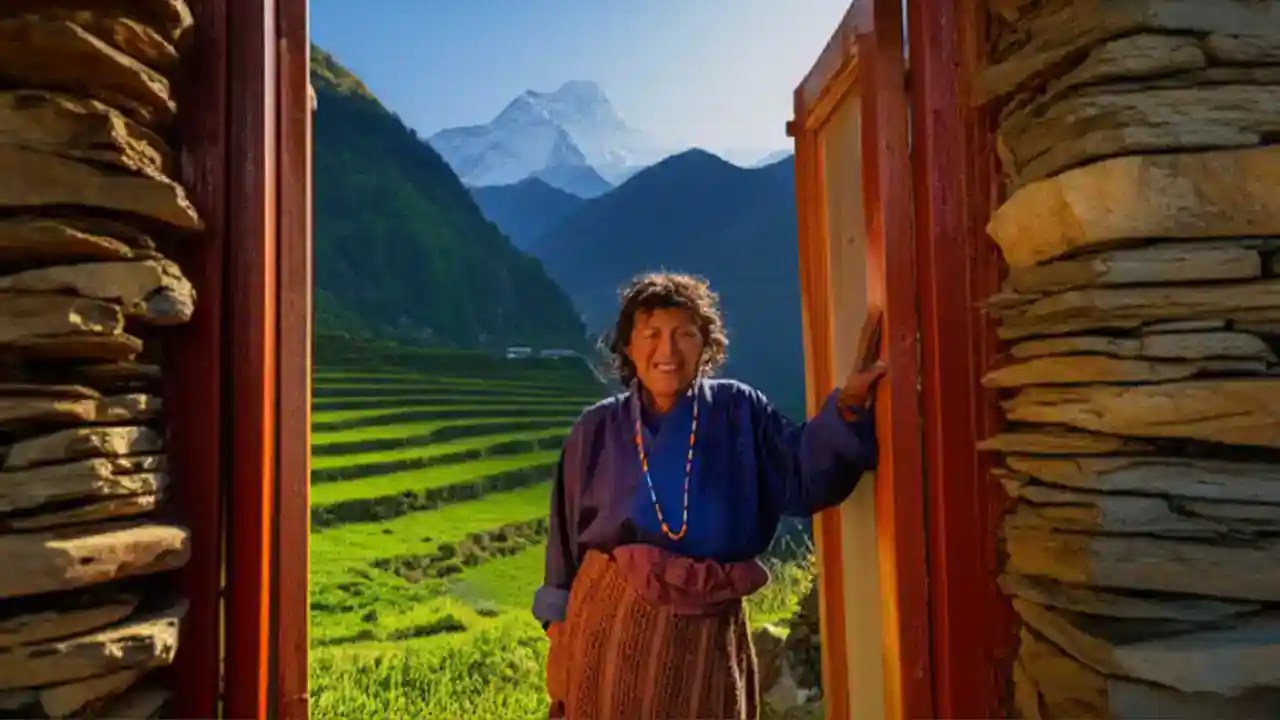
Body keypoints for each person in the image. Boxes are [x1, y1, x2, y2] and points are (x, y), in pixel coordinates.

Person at [533, 272, 885, 720]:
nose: (668, 351)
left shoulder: (739, 411)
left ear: (706, 345)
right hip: (610, 631)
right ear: (627, 346)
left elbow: (801, 474)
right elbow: (565, 544)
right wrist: (559, 634)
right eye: (651, 335)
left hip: (704, 635)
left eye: (685, 334)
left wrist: (848, 409)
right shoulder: (596, 429)